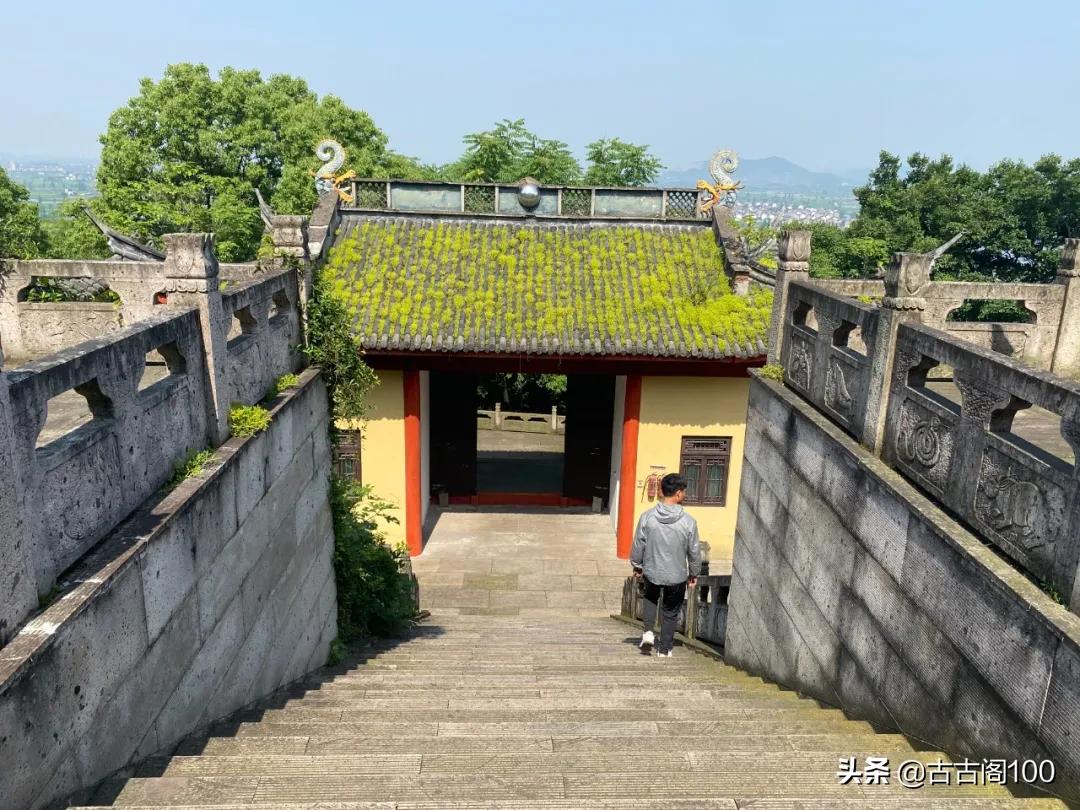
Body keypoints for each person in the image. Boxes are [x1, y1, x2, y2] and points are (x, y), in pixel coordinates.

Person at [630, 472, 702, 657]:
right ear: (678, 493)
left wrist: (637, 565)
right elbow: (694, 551)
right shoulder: (689, 522)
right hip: (677, 575)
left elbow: (639, 543)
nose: (684, 494)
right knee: (670, 611)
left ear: (662, 491)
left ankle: (648, 632)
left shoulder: (647, 517)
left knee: (650, 598)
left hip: (652, 570)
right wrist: (694, 573)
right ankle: (664, 649)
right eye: (684, 491)